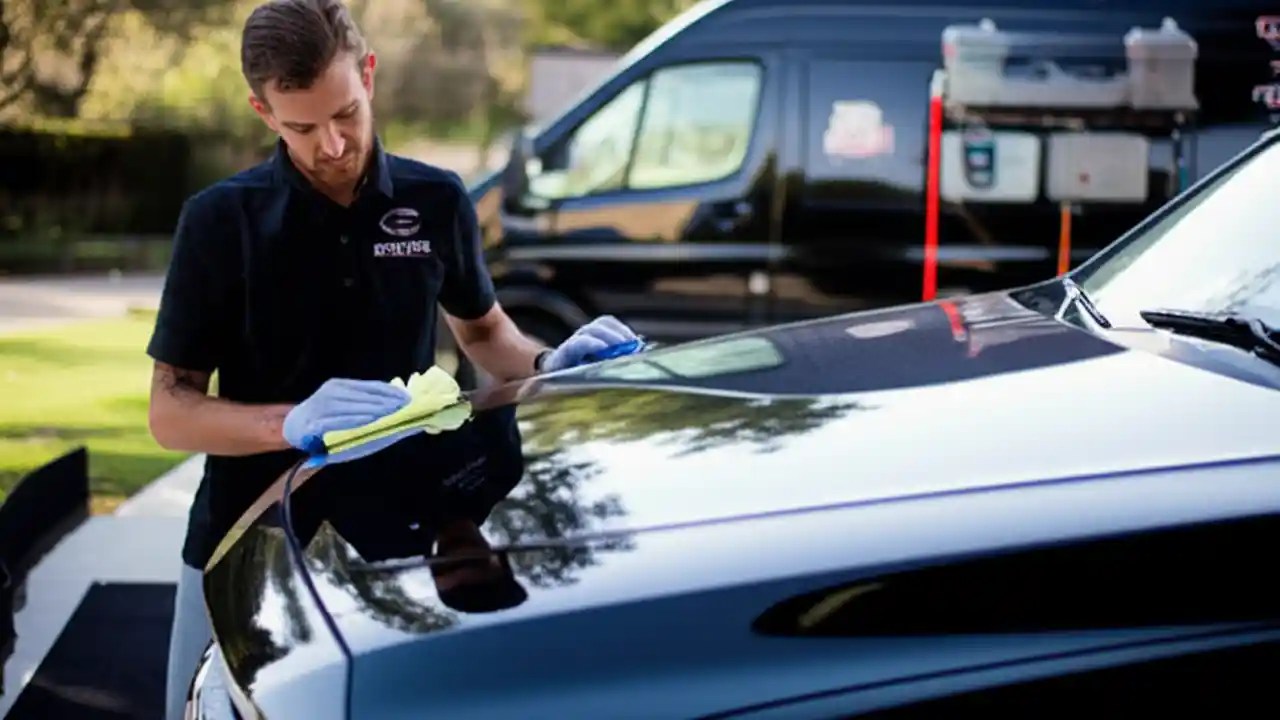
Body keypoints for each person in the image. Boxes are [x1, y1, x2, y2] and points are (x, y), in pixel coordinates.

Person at [145, 1, 640, 717]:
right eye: (302, 128)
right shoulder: (221, 222)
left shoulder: (436, 200)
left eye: (345, 113)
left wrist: (545, 367)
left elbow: (484, 334)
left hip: (402, 548)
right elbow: (169, 412)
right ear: (262, 111)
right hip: (245, 545)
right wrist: (288, 424)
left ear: (369, 75)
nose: (334, 144)